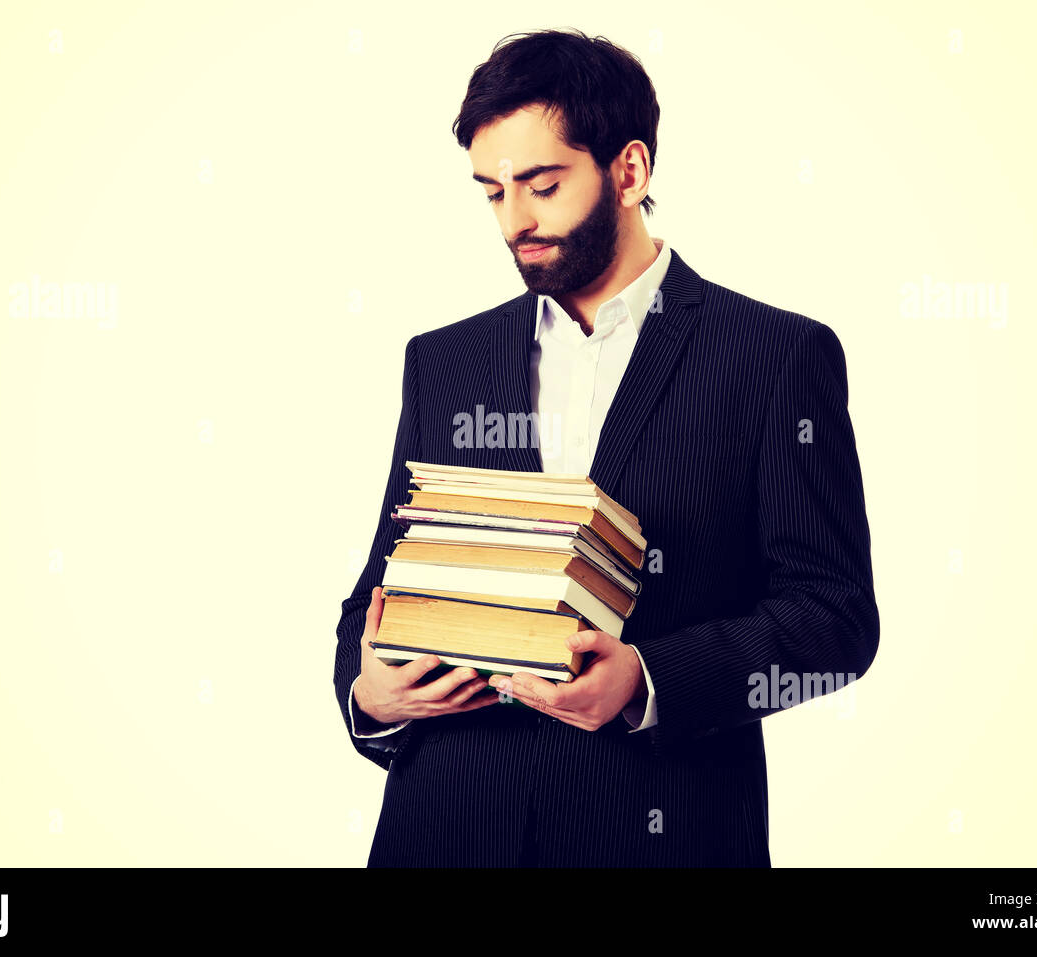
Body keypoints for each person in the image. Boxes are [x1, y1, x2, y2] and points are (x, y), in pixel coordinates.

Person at [333, 28, 879, 867]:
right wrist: (371, 693)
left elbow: (834, 619)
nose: (515, 220)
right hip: (444, 828)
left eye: (542, 185)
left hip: (662, 832)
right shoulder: (441, 360)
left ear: (629, 171)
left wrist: (649, 679)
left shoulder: (775, 357)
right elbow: (382, 587)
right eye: (491, 192)